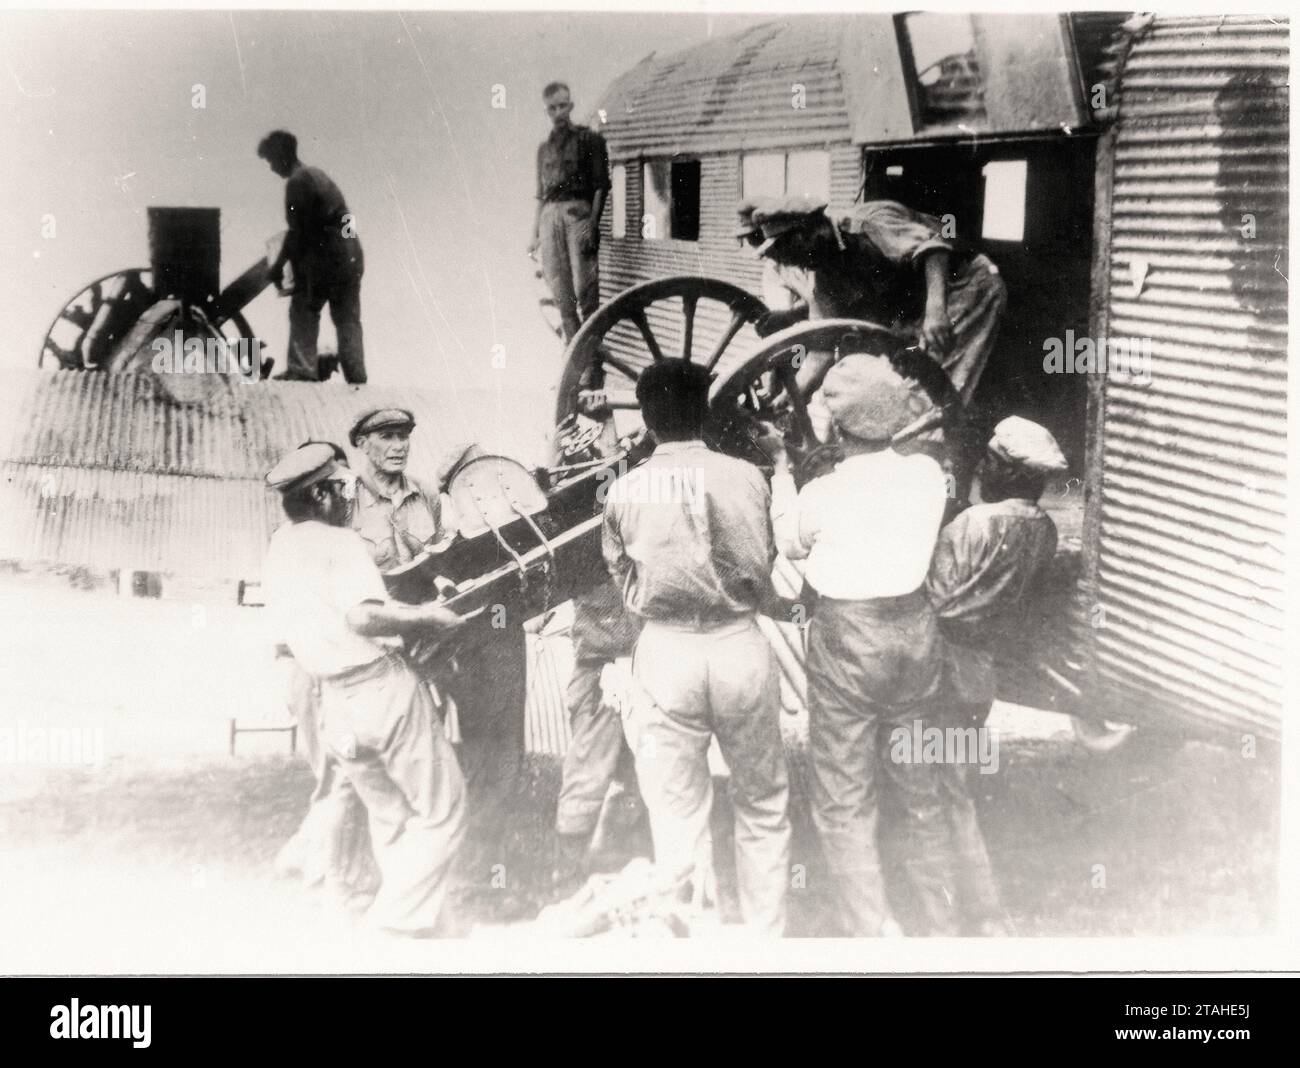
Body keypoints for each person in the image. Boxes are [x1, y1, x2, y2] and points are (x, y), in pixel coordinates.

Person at [765, 353, 956, 937]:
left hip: (849, 637)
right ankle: (941, 929)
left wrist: (778, 471)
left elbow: (790, 545)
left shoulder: (822, 493)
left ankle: (869, 935)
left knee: (844, 795)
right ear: (896, 422)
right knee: (921, 789)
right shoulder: (927, 477)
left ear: (840, 426)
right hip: (916, 631)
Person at [602, 359, 792, 936]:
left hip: (667, 651)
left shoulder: (625, 490)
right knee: (762, 801)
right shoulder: (747, 477)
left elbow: (621, 575)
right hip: (740, 644)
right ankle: (766, 941)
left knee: (677, 809)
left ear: (648, 419)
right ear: (704, 412)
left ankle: (691, 939)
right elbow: (768, 556)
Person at [261, 443, 468, 936]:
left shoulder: (282, 544)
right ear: (321, 494)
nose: (351, 497)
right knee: (444, 806)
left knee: (389, 813)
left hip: (333, 700)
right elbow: (362, 615)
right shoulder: (340, 544)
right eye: (344, 488)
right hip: (378, 688)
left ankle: (407, 918)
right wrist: (427, 618)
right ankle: (397, 920)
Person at [347, 408, 529, 915]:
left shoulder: (426, 494)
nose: (399, 445)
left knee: (487, 747)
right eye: (387, 436)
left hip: (442, 638)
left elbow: (443, 559)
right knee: (384, 768)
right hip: (384, 646)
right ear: (363, 442)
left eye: (405, 436)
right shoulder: (344, 501)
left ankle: (482, 876)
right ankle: (374, 880)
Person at [925, 416, 1067, 934]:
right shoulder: (1044, 530)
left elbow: (934, 594)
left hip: (942, 665)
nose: (981, 468)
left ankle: (971, 912)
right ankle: (977, 909)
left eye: (988, 462)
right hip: (981, 672)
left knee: (941, 793)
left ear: (1004, 470)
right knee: (955, 783)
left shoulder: (971, 525)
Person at [750, 194, 1006, 406]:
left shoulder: (868, 223)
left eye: (794, 254)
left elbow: (932, 248)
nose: (802, 267)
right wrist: (793, 396)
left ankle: (941, 450)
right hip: (917, 302)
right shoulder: (823, 272)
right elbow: (823, 347)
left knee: (939, 376)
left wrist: (936, 310)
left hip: (965, 284)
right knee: (899, 377)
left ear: (807, 235)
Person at [552, 580, 645, 894]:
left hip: (648, 665)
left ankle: (639, 867)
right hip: (600, 668)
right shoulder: (588, 541)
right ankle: (568, 880)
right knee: (589, 771)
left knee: (649, 771)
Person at [258, 130, 366, 383]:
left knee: (303, 309)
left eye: (272, 161)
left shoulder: (296, 181)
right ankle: (357, 377)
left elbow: (299, 232)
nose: (273, 168)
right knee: (348, 319)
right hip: (350, 253)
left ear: (283, 154)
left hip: (327, 254)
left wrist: (278, 266)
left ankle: (302, 371)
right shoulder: (317, 175)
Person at [528, 82, 610, 341]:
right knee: (561, 294)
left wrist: (593, 224)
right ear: (547, 112)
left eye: (563, 106)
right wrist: (534, 236)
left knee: (585, 291)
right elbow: (540, 195)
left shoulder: (590, 139)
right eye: (552, 108)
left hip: (578, 216)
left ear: (571, 106)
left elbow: (600, 186)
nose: (558, 112)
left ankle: (593, 366)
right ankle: (573, 367)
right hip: (549, 218)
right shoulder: (543, 150)